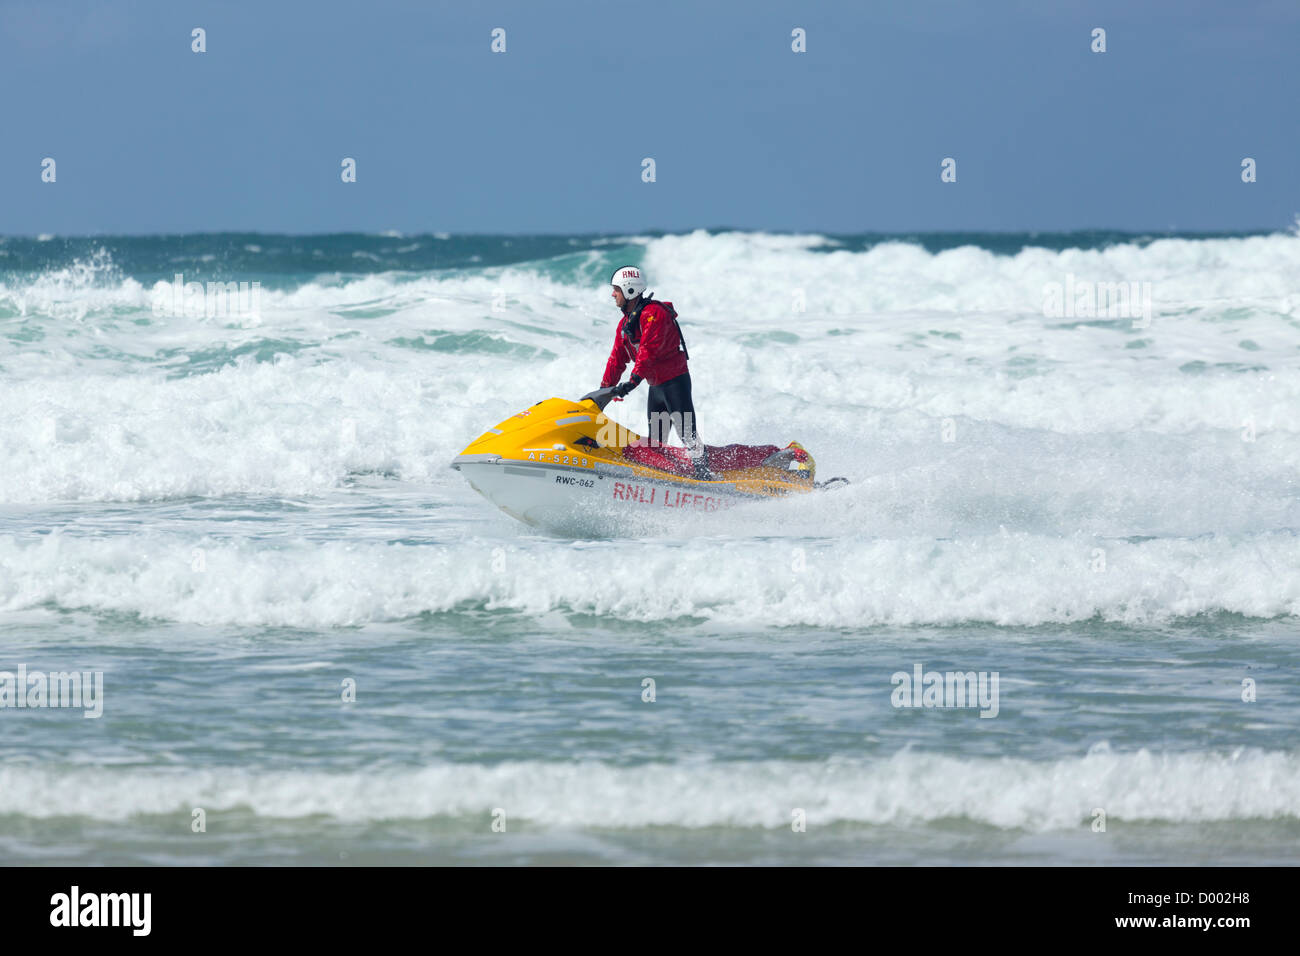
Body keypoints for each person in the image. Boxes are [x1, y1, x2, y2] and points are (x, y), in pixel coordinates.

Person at [600, 265, 715, 480]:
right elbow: (617, 359)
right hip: (657, 388)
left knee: (688, 436)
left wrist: (632, 383)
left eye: (616, 289)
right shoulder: (624, 324)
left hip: (674, 384)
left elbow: (647, 353)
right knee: (657, 441)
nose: (613, 294)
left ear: (629, 290)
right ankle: (664, 477)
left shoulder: (655, 315)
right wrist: (603, 390)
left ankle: (705, 477)